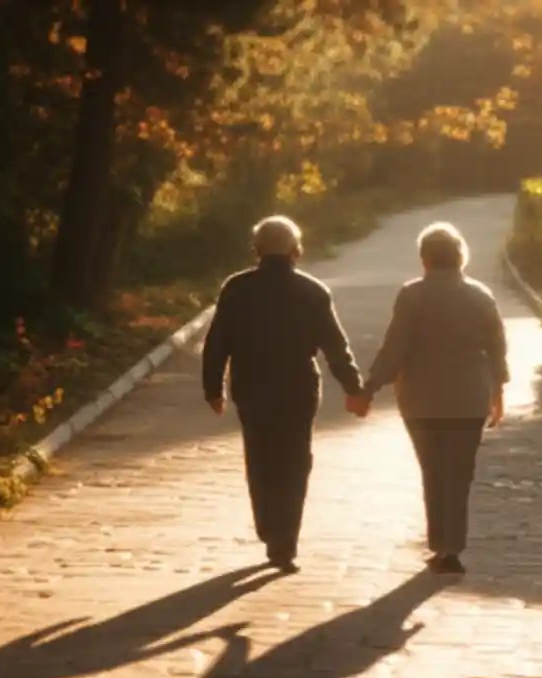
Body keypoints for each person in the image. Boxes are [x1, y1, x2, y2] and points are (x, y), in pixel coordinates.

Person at [202, 215, 369, 573]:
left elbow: (217, 342)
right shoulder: (313, 291)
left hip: (251, 386)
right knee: (295, 461)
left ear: (256, 250)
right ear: (297, 250)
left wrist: (212, 388)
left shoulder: (236, 288)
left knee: (260, 458)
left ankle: (268, 526)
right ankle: (285, 541)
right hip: (298, 388)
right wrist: (354, 388)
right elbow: (336, 347)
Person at [358, 221, 509, 575]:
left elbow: (396, 348)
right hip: (469, 401)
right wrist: (498, 391)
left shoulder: (412, 295)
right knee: (460, 474)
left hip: (421, 402)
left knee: (432, 471)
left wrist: (369, 388)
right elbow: (497, 349)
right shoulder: (481, 296)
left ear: (425, 259)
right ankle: (451, 548)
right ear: (461, 257)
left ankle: (439, 543)